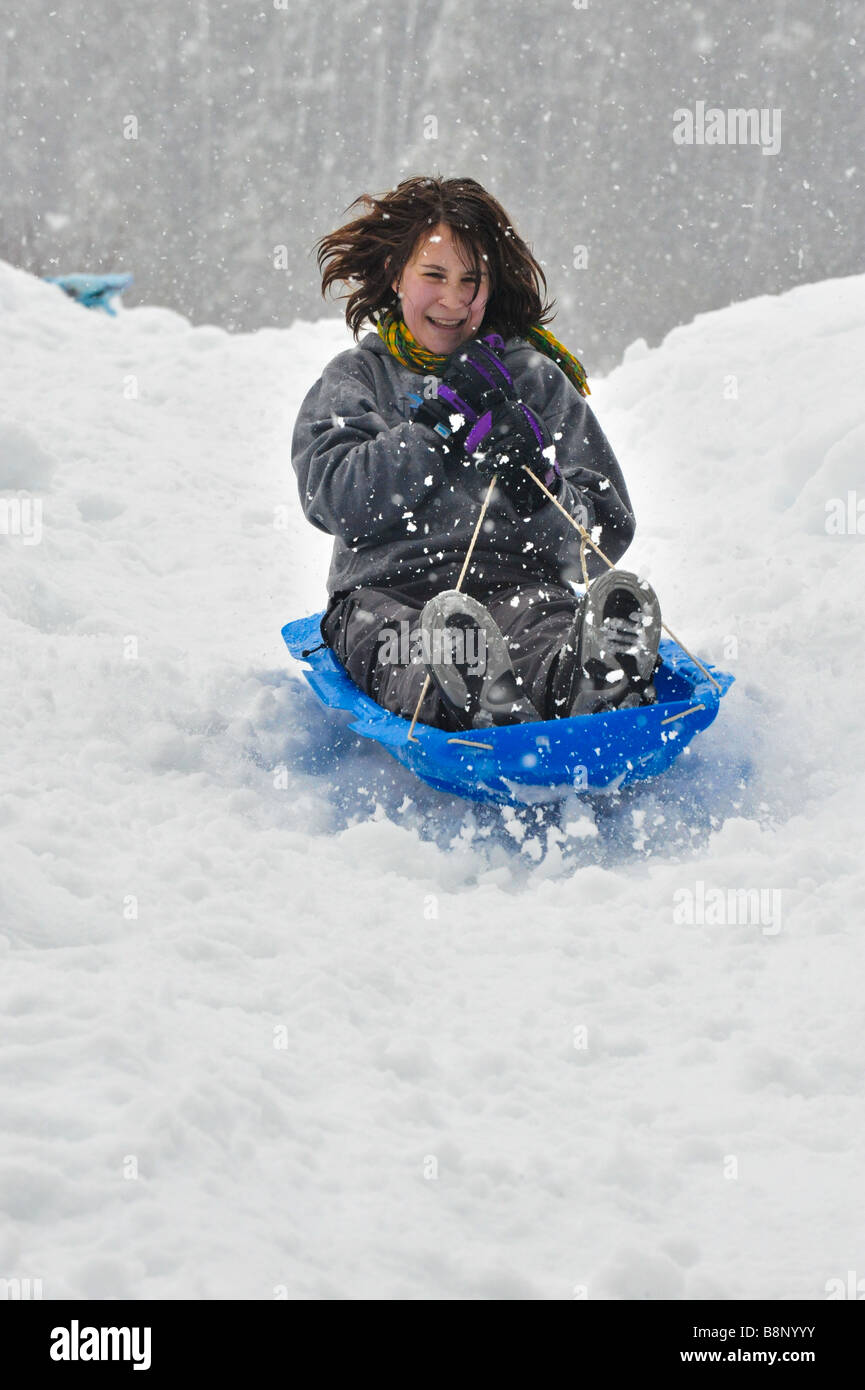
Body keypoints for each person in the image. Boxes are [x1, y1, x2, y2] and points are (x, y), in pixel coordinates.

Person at [291, 174, 662, 733]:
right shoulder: (358, 379)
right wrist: (434, 429)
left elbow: (601, 544)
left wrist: (536, 483)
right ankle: (468, 694)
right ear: (396, 275)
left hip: (517, 584)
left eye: (472, 280)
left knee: (542, 626)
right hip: (386, 590)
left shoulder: (533, 381)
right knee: (408, 644)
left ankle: (586, 683)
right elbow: (334, 498)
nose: (454, 299)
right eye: (434, 275)